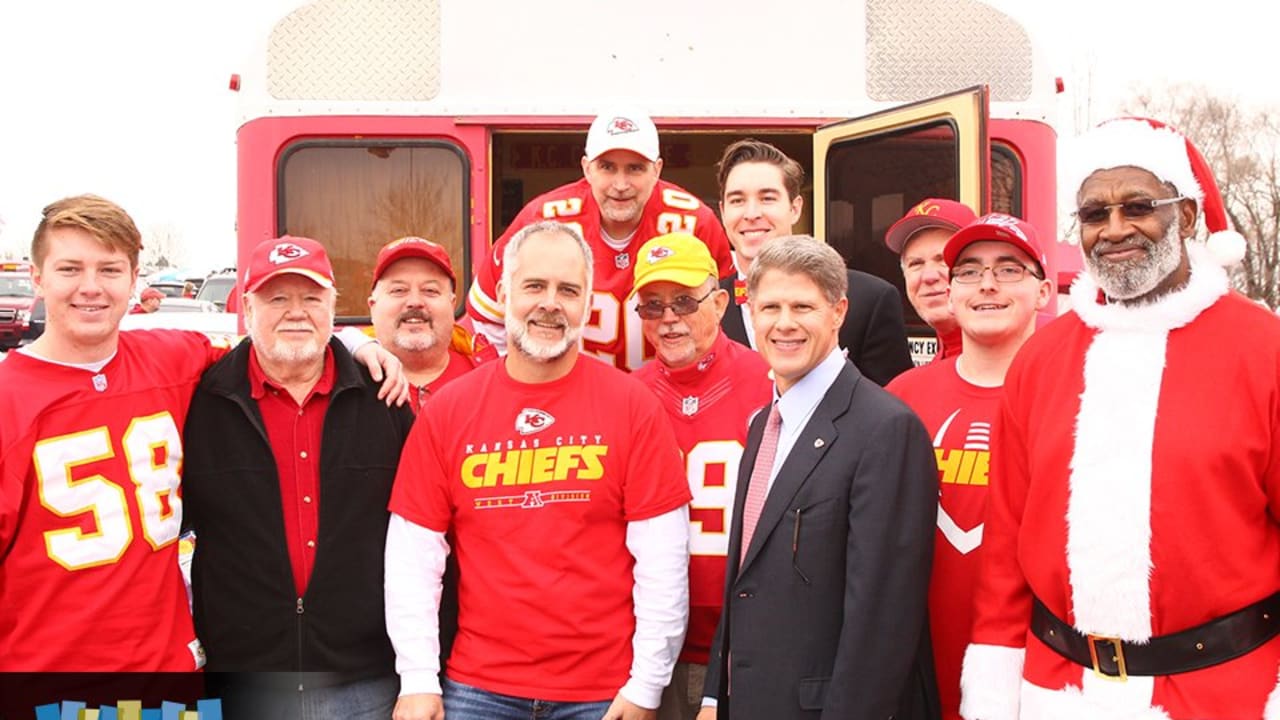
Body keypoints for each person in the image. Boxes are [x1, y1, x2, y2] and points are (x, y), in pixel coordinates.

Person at [960, 118, 1280, 719]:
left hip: (1227, 694)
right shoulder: (1041, 360)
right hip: (1058, 692)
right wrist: (995, 686)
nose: (1114, 229)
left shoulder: (1265, 350)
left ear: (1185, 215)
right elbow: (1005, 546)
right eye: (1092, 214)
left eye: (1138, 206)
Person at [0, 199, 403, 674]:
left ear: (134, 279)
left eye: (109, 269)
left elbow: (273, 346)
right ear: (37, 276)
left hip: (171, 672)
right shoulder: (10, 401)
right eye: (70, 268)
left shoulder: (171, 358)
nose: (91, 287)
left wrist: (359, 343)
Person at [387, 220, 692, 720]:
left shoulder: (632, 407)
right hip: (477, 690)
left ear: (587, 302)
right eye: (534, 286)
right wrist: (417, 679)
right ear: (505, 291)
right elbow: (413, 558)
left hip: (603, 695)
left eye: (568, 290)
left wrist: (646, 685)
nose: (550, 303)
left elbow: (663, 561)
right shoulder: (449, 411)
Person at [701, 235, 939, 720]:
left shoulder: (886, 429)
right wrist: (713, 696)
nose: (783, 324)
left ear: (838, 312)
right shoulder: (762, 424)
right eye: (769, 307)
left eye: (802, 307)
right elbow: (744, 574)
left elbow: (883, 618)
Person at [179, 235, 416, 718]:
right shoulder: (201, 403)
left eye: (311, 297)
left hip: (367, 681)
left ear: (334, 305)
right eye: (276, 298)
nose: (296, 312)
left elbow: (427, 534)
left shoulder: (385, 399)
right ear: (246, 306)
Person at [886, 213, 1050, 720]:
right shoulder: (901, 398)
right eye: (970, 272)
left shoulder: (1070, 395)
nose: (987, 285)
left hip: (1035, 668)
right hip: (917, 667)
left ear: (1043, 292)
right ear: (953, 293)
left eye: (1008, 270)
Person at [467, 110, 734, 371]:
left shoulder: (695, 222)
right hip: (573, 394)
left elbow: (729, 320)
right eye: (607, 167)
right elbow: (486, 316)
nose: (620, 184)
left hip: (666, 390)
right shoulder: (542, 220)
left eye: (635, 168)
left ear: (657, 170)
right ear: (587, 168)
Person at [629, 233, 772, 720]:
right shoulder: (626, 396)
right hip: (647, 649)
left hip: (744, 647)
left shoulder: (771, 382)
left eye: (684, 301)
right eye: (652, 306)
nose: (669, 318)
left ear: (720, 301)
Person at [715, 138, 912, 385]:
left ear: (795, 208)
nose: (752, 214)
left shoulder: (871, 298)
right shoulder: (707, 306)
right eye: (737, 200)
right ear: (723, 212)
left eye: (767, 198)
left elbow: (890, 411)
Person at [369, 236, 489, 412]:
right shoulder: (346, 383)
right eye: (399, 290)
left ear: (452, 304)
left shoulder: (487, 380)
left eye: (430, 290)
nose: (415, 302)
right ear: (373, 307)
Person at [883, 198, 979, 362]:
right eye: (916, 263)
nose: (929, 277)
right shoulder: (935, 368)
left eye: (943, 260)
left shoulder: (1023, 360)